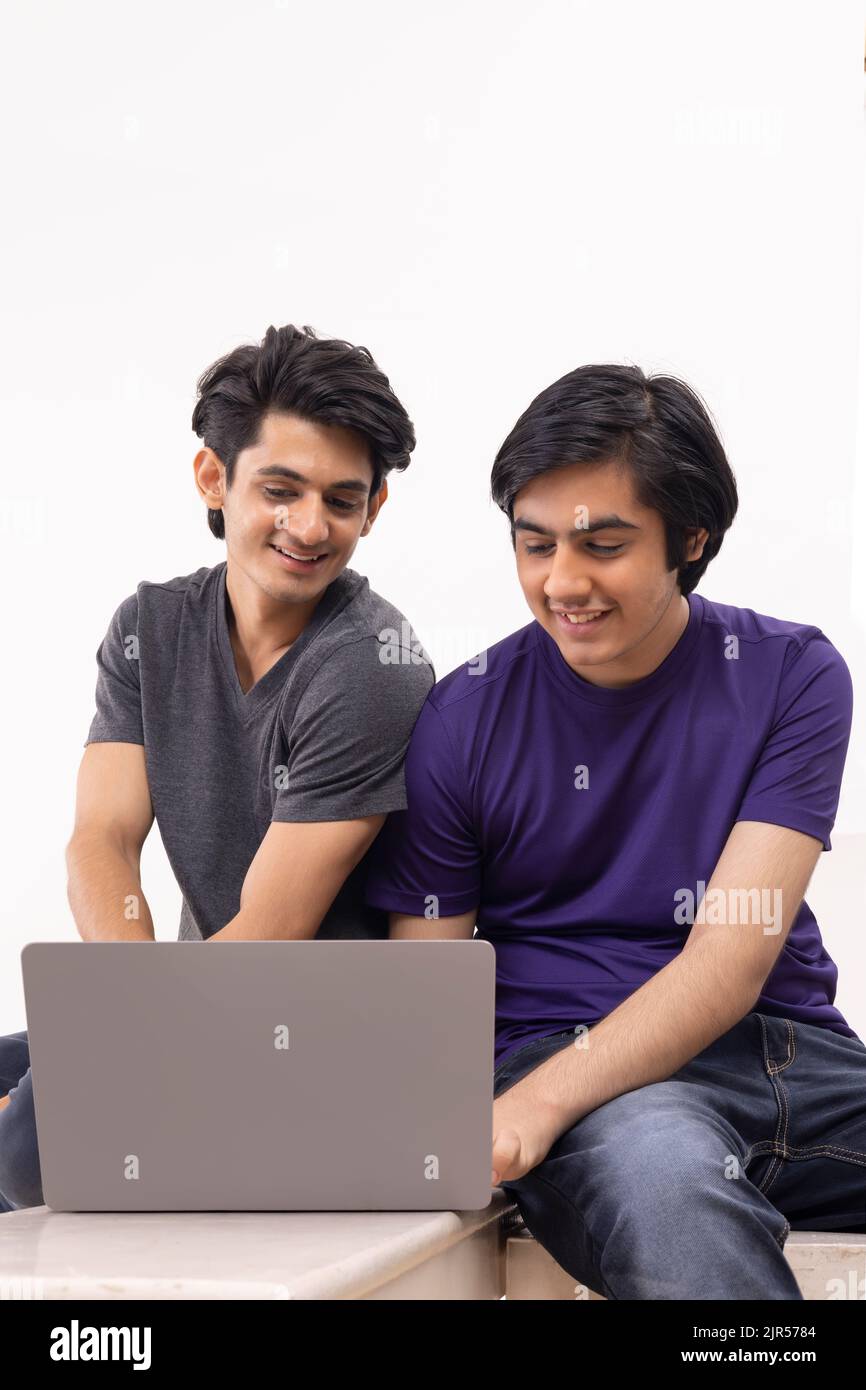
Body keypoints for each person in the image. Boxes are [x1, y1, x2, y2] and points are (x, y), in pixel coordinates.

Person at [364, 363, 866, 1300]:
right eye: (536, 545)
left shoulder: (793, 675)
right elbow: (425, 989)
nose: (564, 582)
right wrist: (516, 1109)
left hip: (795, 1058)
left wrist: (531, 1108)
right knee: (673, 1194)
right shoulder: (463, 719)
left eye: (603, 544)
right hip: (585, 1074)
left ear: (691, 538)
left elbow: (728, 963)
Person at [0, 324, 434, 1211]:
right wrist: (128, 1001)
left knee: (35, 1124)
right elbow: (103, 838)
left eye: (342, 500)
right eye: (281, 490)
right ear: (214, 479)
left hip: (313, 1038)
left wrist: (123, 1033)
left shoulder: (372, 665)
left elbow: (269, 937)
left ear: (375, 508)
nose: (311, 528)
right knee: (35, 1065)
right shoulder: (148, 627)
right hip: (197, 1007)